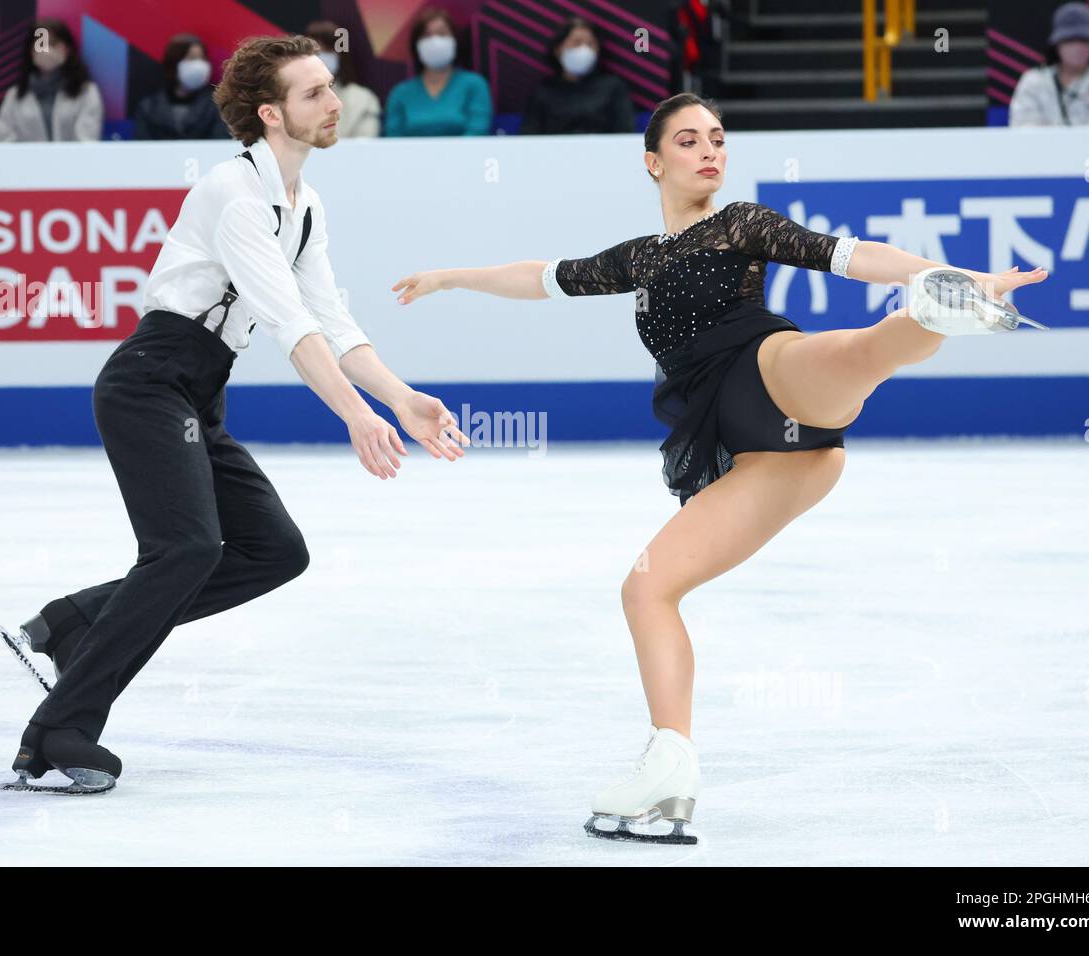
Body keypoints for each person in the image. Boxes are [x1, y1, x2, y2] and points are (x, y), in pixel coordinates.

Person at [391, 92, 1048, 842]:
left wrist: (948, 272)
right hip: (761, 455)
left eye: (718, 138)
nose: (709, 151)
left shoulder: (741, 223)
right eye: (689, 140)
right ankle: (670, 770)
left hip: (767, 374)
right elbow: (540, 275)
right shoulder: (637, 259)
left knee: (862, 350)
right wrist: (449, 277)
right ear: (653, 160)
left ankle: (940, 308)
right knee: (647, 588)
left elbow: (851, 254)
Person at [0, 34, 469, 794]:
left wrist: (401, 396)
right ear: (270, 114)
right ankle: (62, 726)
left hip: (198, 393)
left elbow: (333, 321)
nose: (333, 101)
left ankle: (77, 621)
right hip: (149, 382)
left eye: (330, 86)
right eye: (313, 92)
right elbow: (290, 325)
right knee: (184, 550)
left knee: (273, 549)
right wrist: (352, 414)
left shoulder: (304, 205)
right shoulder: (232, 192)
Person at [1009, 2, 1089, 127]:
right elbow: (1023, 129)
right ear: (1056, 44)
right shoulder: (1033, 82)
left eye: (1084, 40)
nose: (1078, 48)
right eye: (1070, 40)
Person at [384, 8, 491, 137]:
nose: (435, 41)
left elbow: (478, 131)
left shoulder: (474, 85)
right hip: (412, 157)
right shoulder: (400, 93)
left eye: (442, 33)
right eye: (427, 35)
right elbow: (393, 140)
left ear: (454, 40)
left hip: (464, 156)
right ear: (417, 45)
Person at [522, 16, 634, 135]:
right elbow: (528, 138)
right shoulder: (543, 92)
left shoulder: (613, 87)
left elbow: (624, 134)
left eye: (590, 44)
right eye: (577, 43)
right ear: (558, 49)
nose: (584, 50)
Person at [0, 18, 103, 142]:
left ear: (66, 49)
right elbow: (5, 142)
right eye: (41, 44)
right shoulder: (14, 96)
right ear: (31, 51)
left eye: (54, 44)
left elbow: (87, 140)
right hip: (25, 161)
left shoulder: (86, 92)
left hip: (73, 161)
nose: (47, 49)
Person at [133, 34, 230, 140]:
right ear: (175, 63)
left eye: (201, 58)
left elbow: (219, 142)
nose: (198, 65)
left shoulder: (216, 105)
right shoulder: (149, 107)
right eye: (191, 58)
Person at [306, 19, 381, 138]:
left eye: (328, 50)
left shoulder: (364, 99)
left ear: (341, 56)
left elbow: (365, 146)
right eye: (315, 51)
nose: (322, 56)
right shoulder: (288, 98)